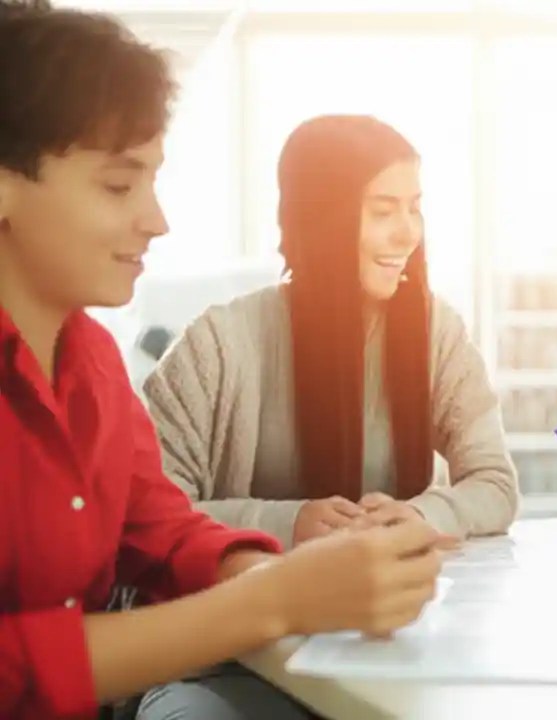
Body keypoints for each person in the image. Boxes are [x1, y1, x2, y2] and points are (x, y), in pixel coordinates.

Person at [0, 5, 445, 719]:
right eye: (118, 185)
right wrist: (272, 599)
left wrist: (281, 573)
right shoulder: (219, 342)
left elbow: (161, 529)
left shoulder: (92, 363)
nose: (157, 219)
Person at [143, 114, 518, 549]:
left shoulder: (437, 331)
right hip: (253, 609)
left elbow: (495, 484)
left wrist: (422, 514)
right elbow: (149, 513)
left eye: (414, 207)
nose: (408, 233)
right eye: (382, 211)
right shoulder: (216, 346)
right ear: (321, 221)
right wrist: (285, 524)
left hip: (400, 606)